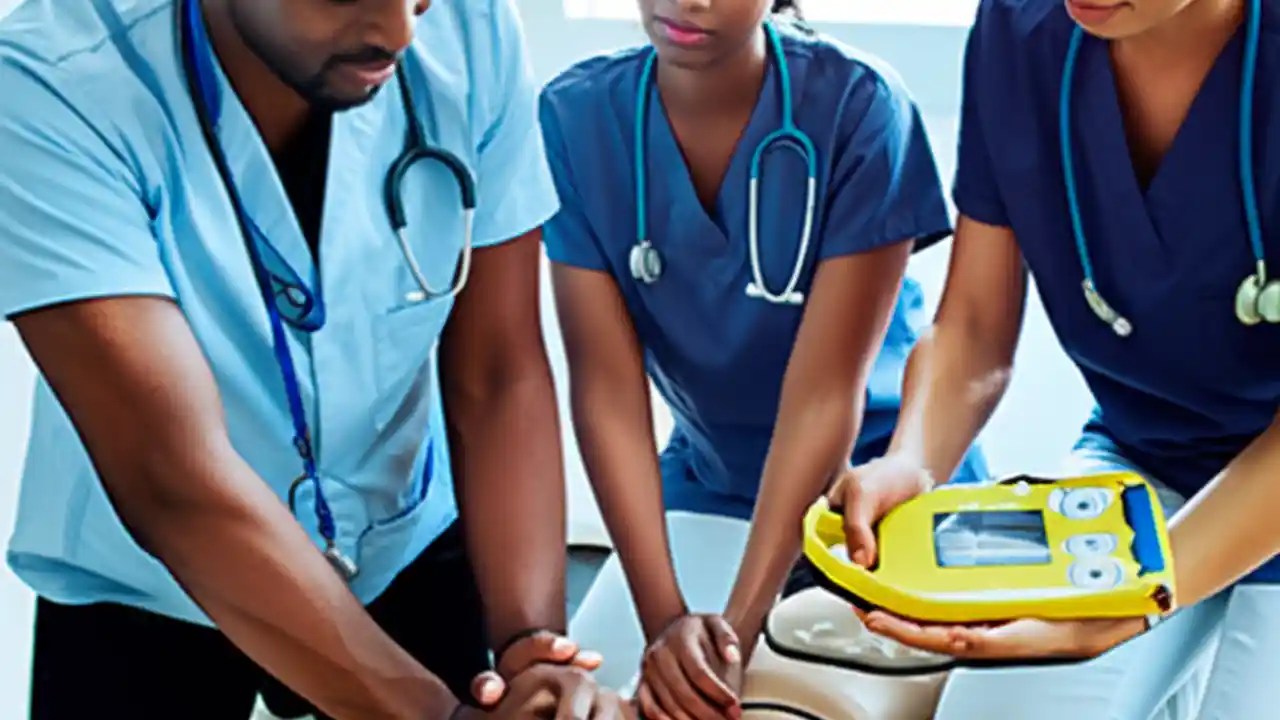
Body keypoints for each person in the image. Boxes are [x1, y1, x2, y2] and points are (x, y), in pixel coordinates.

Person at [0, 0, 628, 718]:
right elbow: (170, 478)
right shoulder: (52, 80)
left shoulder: (468, 26)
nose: (401, 33)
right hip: (150, 582)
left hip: (401, 537)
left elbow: (497, 372)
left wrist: (529, 648)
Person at [828, 0, 1280, 717]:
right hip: (1148, 455)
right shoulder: (1021, 26)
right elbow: (974, 325)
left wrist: (1128, 608)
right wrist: (911, 457)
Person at [539, 0, 987, 717]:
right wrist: (668, 624)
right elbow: (606, 393)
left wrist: (730, 641)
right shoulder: (576, 118)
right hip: (713, 475)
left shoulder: (858, 107)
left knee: (785, 703)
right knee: (599, 695)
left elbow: (823, 395)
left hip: (873, 496)